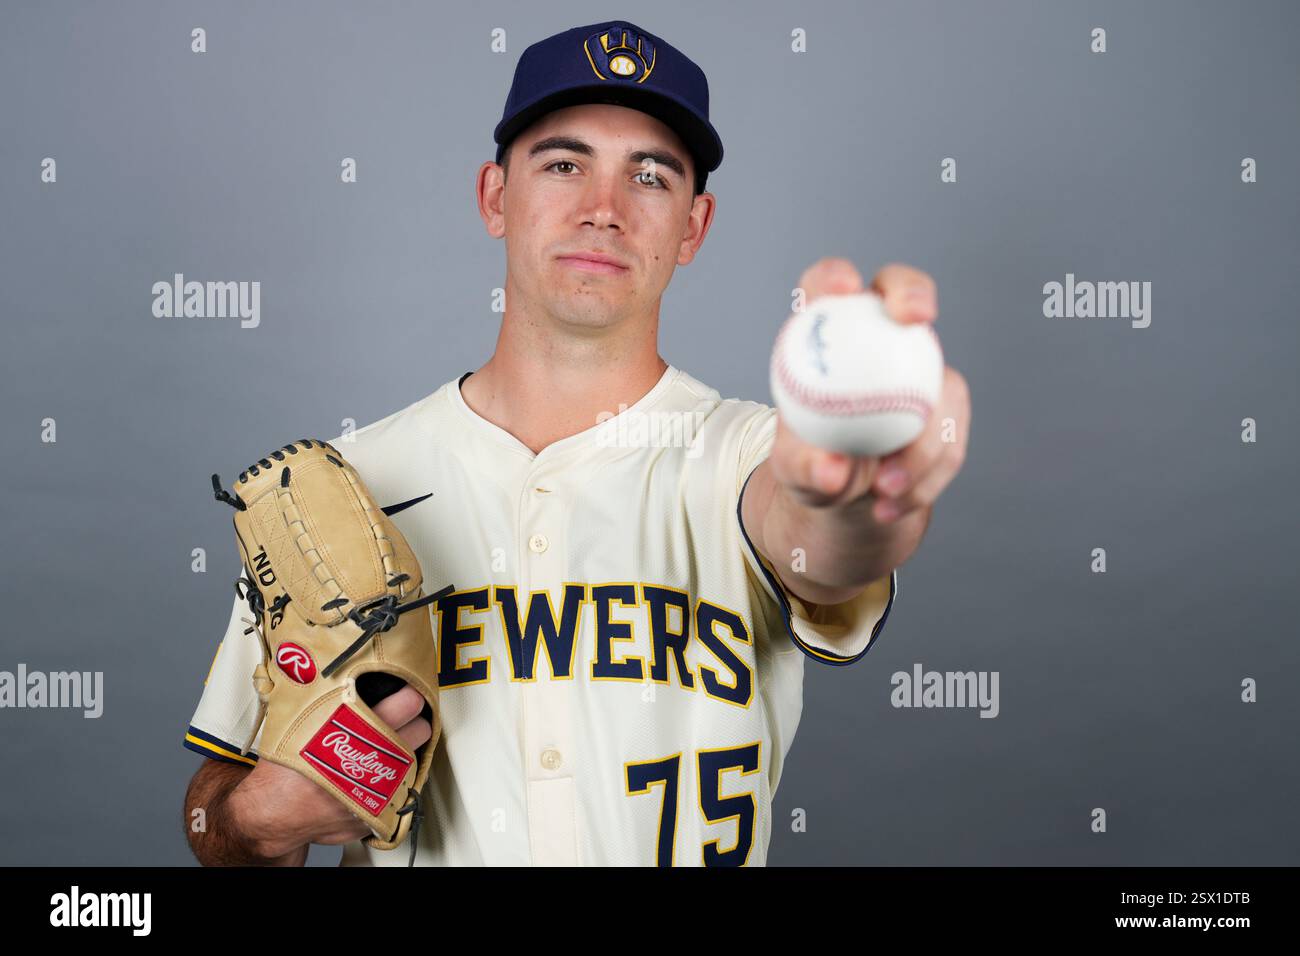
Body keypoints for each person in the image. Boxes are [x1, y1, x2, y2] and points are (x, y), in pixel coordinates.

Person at [182, 19, 970, 867]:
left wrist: (857, 496)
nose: (604, 209)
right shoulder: (346, 489)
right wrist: (260, 819)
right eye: (564, 165)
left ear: (694, 225)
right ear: (494, 197)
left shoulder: (751, 455)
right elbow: (211, 820)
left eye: (650, 176)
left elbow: (820, 540)